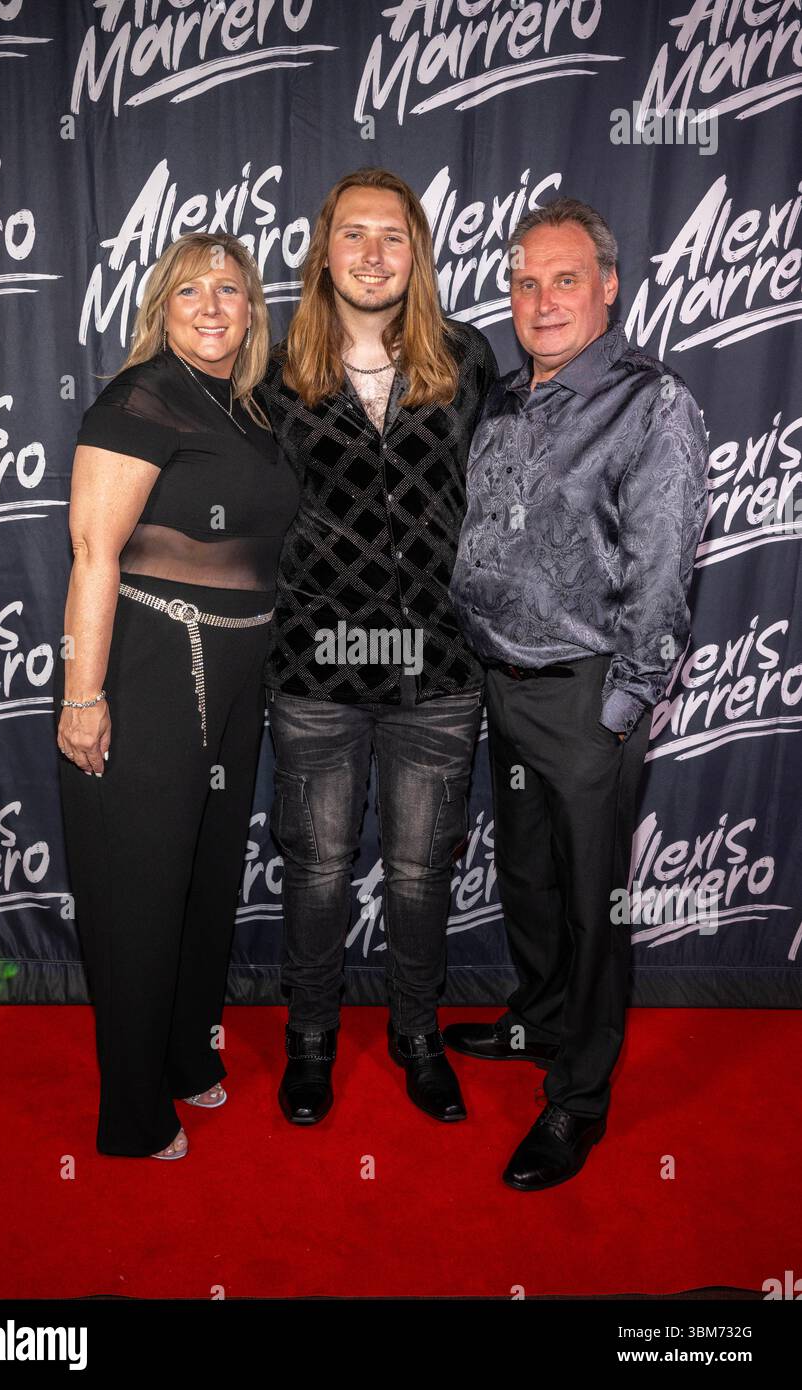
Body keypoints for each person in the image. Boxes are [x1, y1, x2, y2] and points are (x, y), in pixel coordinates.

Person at [445, 197, 708, 1189]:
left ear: (606, 286)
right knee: (528, 876)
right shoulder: (503, 401)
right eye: (522, 280)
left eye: (562, 278)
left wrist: (621, 703)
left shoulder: (650, 402)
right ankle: (536, 1020)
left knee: (594, 904)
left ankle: (578, 1099)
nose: (540, 298)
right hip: (502, 687)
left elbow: (659, 571)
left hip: (586, 693)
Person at [257, 168, 498, 1126]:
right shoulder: (275, 372)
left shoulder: (468, 361)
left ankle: (414, 1035)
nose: (370, 253)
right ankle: (310, 1037)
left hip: (437, 669)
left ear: (418, 253)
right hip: (316, 669)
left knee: (419, 868)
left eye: (391, 236)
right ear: (323, 252)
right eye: (352, 234)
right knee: (315, 866)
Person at [55, 232, 300, 1160]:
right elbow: (92, 553)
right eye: (190, 289)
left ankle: (187, 1055)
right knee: (141, 891)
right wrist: (84, 696)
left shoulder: (250, 410)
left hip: (239, 671)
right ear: (162, 305)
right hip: (153, 661)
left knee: (204, 883)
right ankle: (130, 1116)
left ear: (251, 311)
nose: (211, 305)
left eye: (229, 290)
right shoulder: (141, 397)